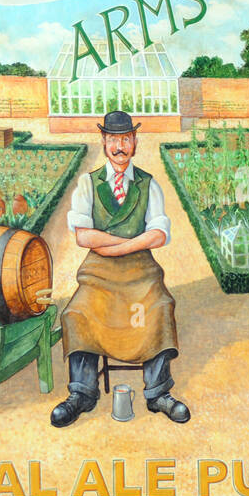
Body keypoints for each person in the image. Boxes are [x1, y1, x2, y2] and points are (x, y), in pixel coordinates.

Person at [52, 110, 189, 427]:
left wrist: (117, 247)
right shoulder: (88, 185)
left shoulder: (148, 184)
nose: (119, 147)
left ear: (135, 142)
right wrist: (127, 241)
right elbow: (83, 235)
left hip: (141, 271)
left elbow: (157, 234)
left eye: (126, 139)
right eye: (113, 139)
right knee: (77, 312)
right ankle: (82, 393)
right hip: (98, 273)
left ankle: (158, 394)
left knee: (159, 307)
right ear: (104, 141)